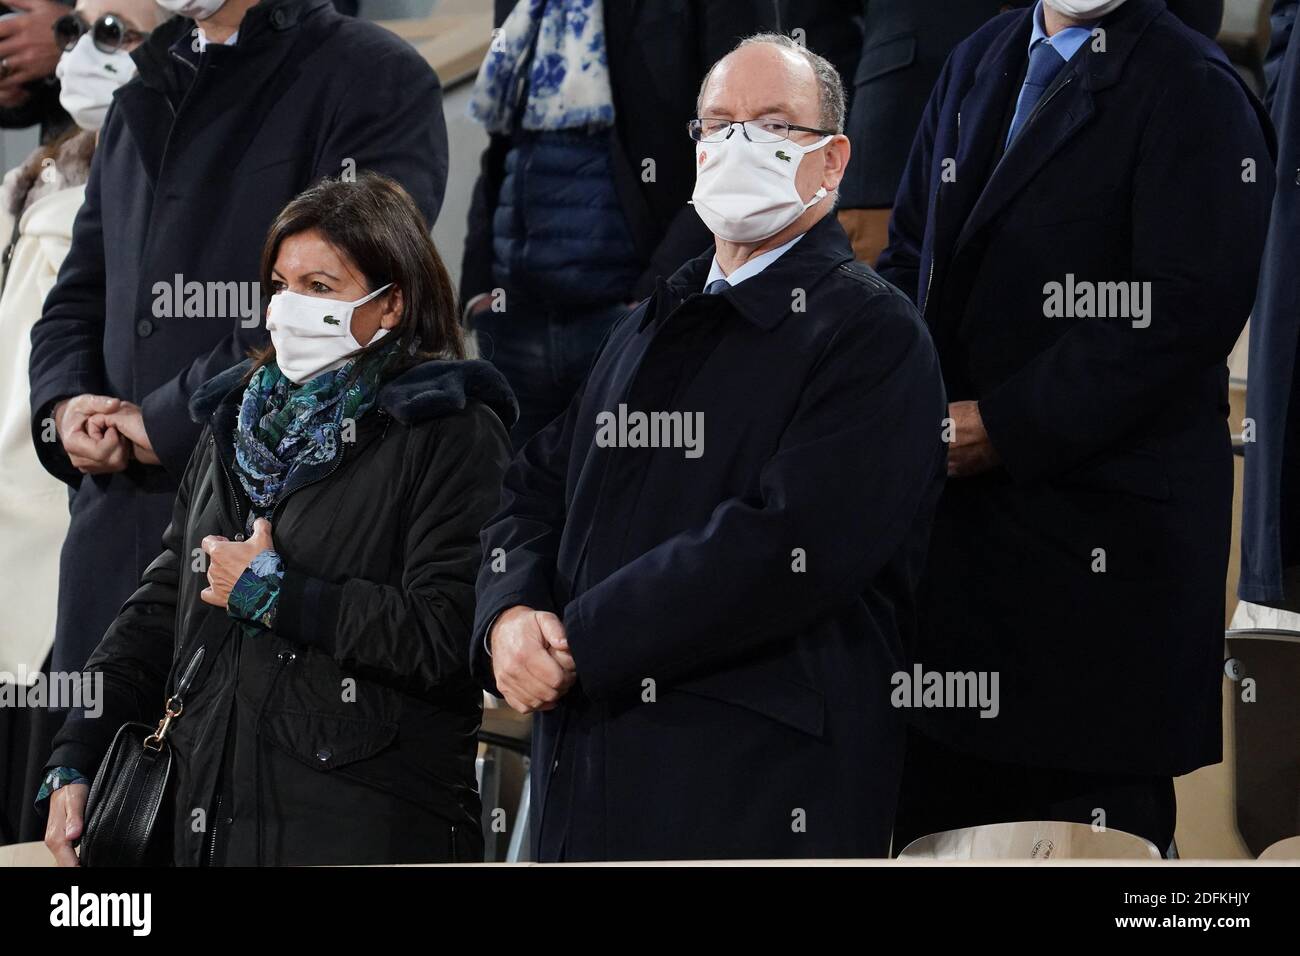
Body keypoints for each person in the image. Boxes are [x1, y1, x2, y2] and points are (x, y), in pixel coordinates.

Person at [472, 33, 946, 861]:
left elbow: (786, 546)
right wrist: (509, 615)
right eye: (718, 124)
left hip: (751, 792)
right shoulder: (659, 315)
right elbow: (536, 482)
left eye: (772, 126)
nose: (737, 145)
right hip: (590, 779)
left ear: (833, 162)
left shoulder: (873, 332)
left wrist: (580, 639)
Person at [877, 0, 1274, 853]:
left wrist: (1004, 424)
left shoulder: (1194, 86)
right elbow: (910, 250)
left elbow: (1181, 310)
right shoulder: (978, 60)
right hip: (958, 572)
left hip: (1099, 576)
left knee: (1092, 844)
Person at [26, 0, 449, 799]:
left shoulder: (374, 76)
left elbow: (343, 303)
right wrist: (65, 411)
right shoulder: (138, 98)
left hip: (274, 529)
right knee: (87, 836)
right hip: (114, 527)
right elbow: (79, 298)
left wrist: (161, 421)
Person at [40, 173, 515, 866]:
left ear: (391, 305)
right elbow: (161, 605)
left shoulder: (451, 429)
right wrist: (77, 755)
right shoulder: (232, 421)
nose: (291, 307)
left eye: (320, 288)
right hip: (209, 819)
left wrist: (277, 594)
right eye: (282, 284)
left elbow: (450, 635)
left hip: (361, 830)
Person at [462, 0, 780, 449]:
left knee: (647, 509)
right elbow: (503, 141)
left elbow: (749, 140)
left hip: (640, 312)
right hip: (517, 319)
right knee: (518, 514)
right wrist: (479, 288)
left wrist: (662, 290)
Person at [0, 0, 166, 847]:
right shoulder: (38, 182)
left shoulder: (160, 187)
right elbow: (43, 335)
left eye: (114, 34)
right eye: (73, 32)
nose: (84, 55)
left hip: (72, 542)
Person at [786, 0, 1223, 266]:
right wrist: (832, 105)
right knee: (883, 355)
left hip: (1119, 108)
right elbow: (816, 15)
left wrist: (1167, 72)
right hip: (899, 120)